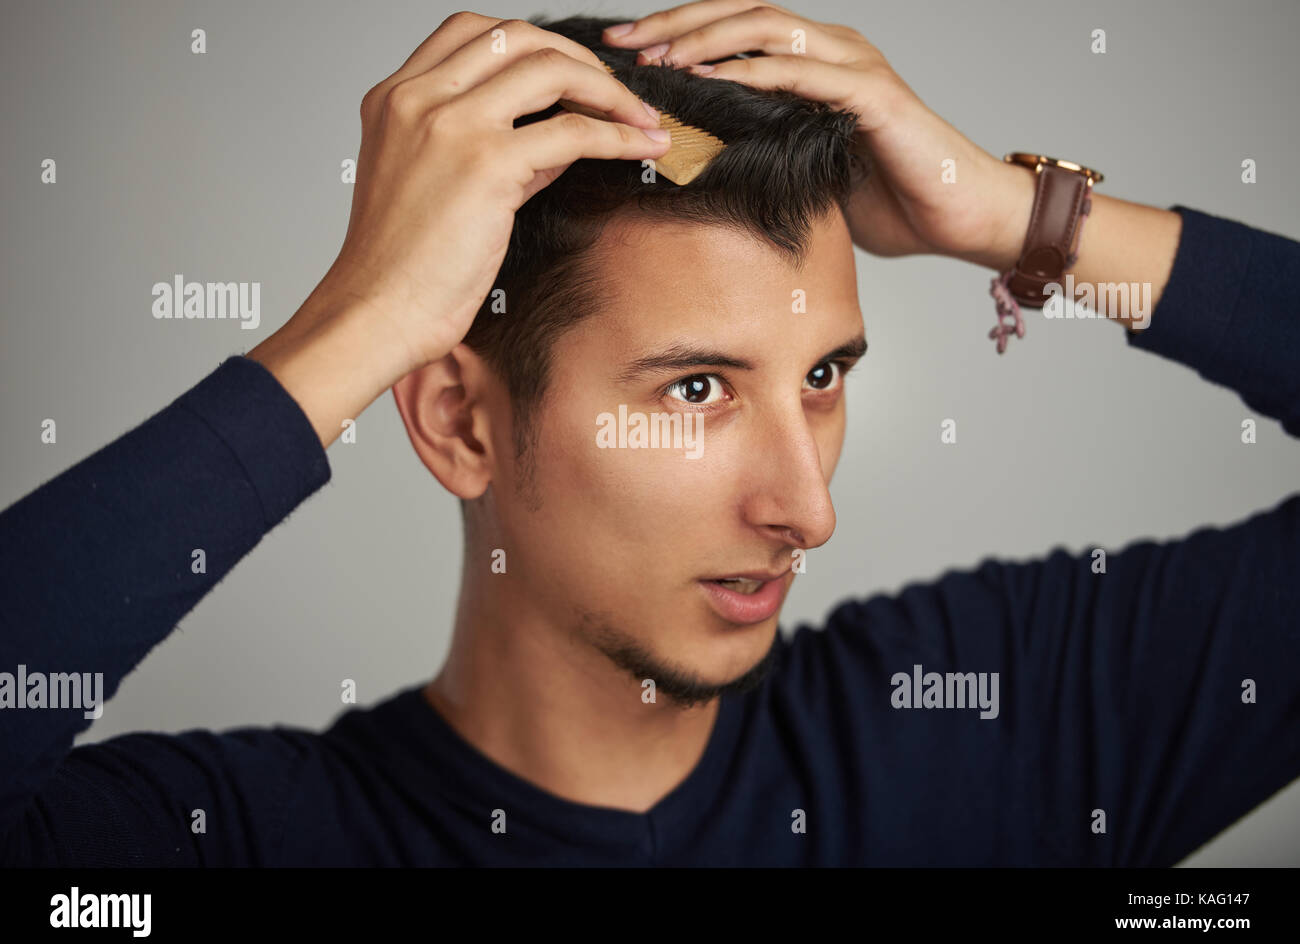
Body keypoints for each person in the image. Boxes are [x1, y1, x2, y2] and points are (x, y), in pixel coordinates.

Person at [2, 6, 1297, 866]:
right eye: (696, 391)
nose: (807, 510)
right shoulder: (232, 843)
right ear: (459, 418)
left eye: (826, 374)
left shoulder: (1002, 720)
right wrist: (352, 331)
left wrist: (1028, 220)